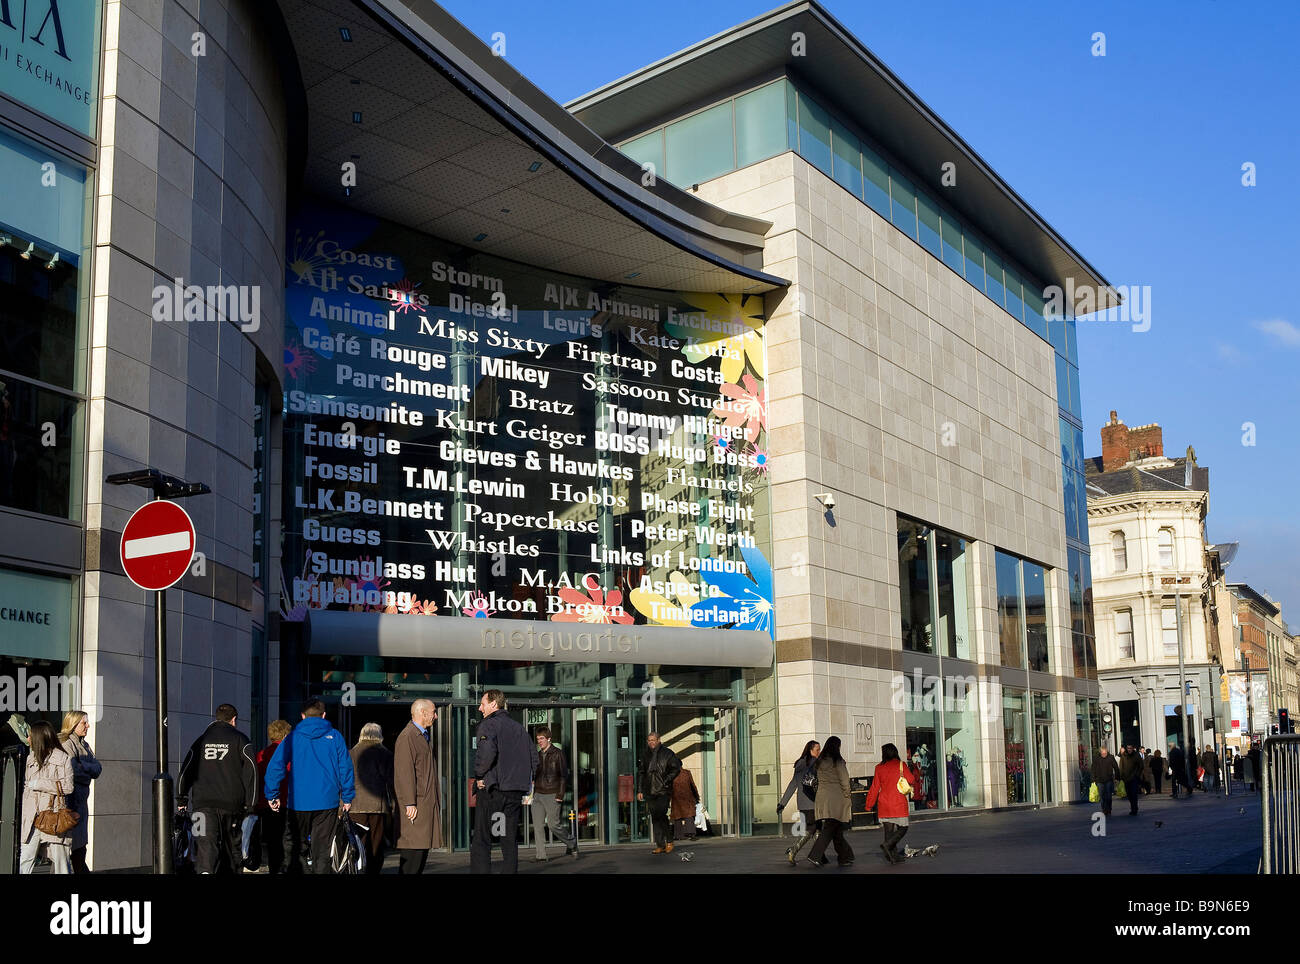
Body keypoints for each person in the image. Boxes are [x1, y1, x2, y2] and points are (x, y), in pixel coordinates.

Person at [264, 699, 355, 874]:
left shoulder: (292, 737)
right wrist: (347, 796)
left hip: (298, 801)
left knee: (295, 847)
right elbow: (345, 767)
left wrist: (272, 794)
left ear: (303, 716)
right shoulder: (335, 736)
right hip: (327, 801)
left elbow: (276, 766)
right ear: (324, 715)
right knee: (322, 851)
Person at [178, 703, 257, 874]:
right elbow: (252, 772)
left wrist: (181, 798)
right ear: (234, 720)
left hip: (202, 805)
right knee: (231, 850)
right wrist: (251, 804)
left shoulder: (201, 741)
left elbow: (185, 771)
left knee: (205, 848)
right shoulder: (241, 740)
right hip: (233, 806)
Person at [471, 690, 537, 874]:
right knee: (507, 838)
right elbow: (534, 759)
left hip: (494, 790)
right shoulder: (519, 728)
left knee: (483, 838)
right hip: (514, 792)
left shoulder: (489, 725)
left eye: (482, 704)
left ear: (494, 704)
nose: (479, 708)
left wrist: (479, 776)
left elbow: (486, 755)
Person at [394, 698, 442, 874]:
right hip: (416, 806)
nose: (435, 716)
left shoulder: (421, 736)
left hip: (423, 803)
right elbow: (404, 772)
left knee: (419, 853)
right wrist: (409, 802)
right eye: (433, 711)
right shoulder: (408, 736)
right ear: (423, 712)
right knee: (413, 855)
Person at [19, 720, 74, 874]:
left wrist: (39, 783)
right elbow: (26, 789)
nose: (28, 739)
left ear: (39, 737)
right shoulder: (31, 758)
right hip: (32, 819)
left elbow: (68, 786)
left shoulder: (63, 759)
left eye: (31, 736)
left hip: (53, 818)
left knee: (61, 863)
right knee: (25, 860)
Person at [59, 710, 101, 873]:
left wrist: (86, 767)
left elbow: (98, 768)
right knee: (70, 853)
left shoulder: (84, 745)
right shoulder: (66, 743)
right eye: (84, 723)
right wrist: (86, 770)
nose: (88, 726)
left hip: (80, 805)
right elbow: (73, 771)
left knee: (78, 852)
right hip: (70, 805)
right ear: (73, 724)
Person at [350, 722, 394, 875]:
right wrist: (394, 804)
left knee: (357, 842)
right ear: (379, 735)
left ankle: (357, 870)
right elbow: (391, 781)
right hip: (377, 806)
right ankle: (373, 871)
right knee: (376, 844)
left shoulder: (351, 753)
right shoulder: (385, 754)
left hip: (354, 806)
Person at [806, 735, 854, 867]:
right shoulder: (838, 761)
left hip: (822, 798)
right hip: (836, 799)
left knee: (836, 830)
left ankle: (846, 856)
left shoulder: (819, 761)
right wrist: (847, 796)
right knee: (830, 828)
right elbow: (844, 781)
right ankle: (814, 855)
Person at [530, 726, 576, 861]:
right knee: (538, 826)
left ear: (549, 739)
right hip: (538, 794)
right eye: (538, 739)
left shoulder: (557, 753)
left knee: (553, 824)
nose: (539, 741)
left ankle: (571, 842)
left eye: (542, 738)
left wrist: (560, 794)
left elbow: (563, 775)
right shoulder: (537, 755)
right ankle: (541, 855)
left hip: (552, 793)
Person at [251, 719, 291, 873]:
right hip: (286, 802)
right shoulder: (289, 754)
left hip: (265, 804)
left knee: (272, 841)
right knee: (287, 839)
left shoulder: (261, 754)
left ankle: (275, 869)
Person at [865, 742, 914, 865]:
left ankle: (893, 856)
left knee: (888, 831)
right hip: (898, 802)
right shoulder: (901, 765)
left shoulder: (879, 767)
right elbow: (911, 779)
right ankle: (888, 845)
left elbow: (875, 787)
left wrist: (869, 804)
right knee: (903, 827)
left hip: (884, 803)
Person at [636, 731, 682, 855]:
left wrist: (666, 780)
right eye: (649, 740)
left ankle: (670, 841)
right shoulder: (645, 755)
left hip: (663, 790)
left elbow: (676, 768)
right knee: (655, 818)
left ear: (659, 740)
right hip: (649, 790)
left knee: (661, 814)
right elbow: (641, 773)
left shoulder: (667, 753)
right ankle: (660, 844)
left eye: (653, 740)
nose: (651, 742)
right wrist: (639, 790)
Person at [778, 740, 821, 865]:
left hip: (802, 803)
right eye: (817, 749)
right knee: (812, 828)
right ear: (811, 750)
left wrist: (782, 803)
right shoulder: (815, 763)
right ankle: (794, 850)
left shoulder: (800, 764)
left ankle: (818, 856)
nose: (819, 751)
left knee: (816, 829)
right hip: (813, 802)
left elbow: (793, 785)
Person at [670, 766, 701, 841]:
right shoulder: (686, 773)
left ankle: (678, 835)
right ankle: (691, 833)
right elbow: (692, 785)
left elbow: (668, 787)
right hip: (687, 797)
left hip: (676, 798)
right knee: (689, 815)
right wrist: (696, 796)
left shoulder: (671, 774)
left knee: (677, 816)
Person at [1091, 745, 1120, 816]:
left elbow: (1116, 767)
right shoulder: (1096, 758)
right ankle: (1104, 809)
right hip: (1099, 780)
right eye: (1103, 753)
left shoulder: (1110, 757)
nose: (1104, 755)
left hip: (1108, 780)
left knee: (1108, 796)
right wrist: (1093, 779)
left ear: (1107, 752)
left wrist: (1117, 778)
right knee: (1102, 796)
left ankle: (1109, 809)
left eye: (1105, 753)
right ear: (1100, 752)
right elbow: (1093, 769)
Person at [1119, 745, 1142, 816]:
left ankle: (1134, 808)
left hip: (1134, 778)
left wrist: (1137, 775)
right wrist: (1121, 776)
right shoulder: (1123, 756)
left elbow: (1141, 766)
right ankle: (1133, 806)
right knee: (1129, 794)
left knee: (1134, 794)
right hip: (1126, 778)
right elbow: (1121, 766)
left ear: (1132, 748)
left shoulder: (1136, 755)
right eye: (1128, 748)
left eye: (1130, 748)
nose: (1129, 749)